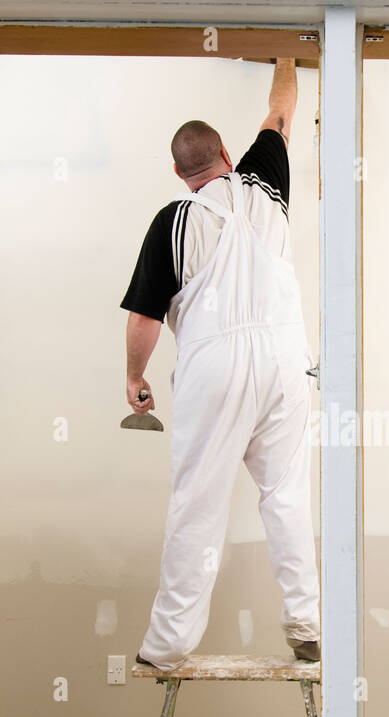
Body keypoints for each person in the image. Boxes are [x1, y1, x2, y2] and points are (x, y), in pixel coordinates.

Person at [121, 59, 320, 672]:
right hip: (288, 362)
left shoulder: (172, 221)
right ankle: (308, 624)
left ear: (181, 174)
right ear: (230, 155)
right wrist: (286, 62)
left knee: (197, 502)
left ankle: (168, 644)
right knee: (287, 495)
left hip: (215, 367)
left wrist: (135, 379)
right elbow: (281, 114)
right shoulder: (265, 183)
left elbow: (144, 322)